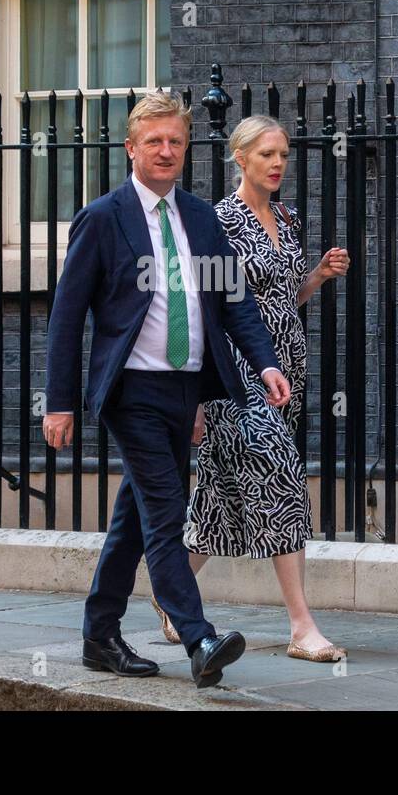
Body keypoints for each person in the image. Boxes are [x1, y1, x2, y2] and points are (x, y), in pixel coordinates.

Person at [43, 92, 293, 689]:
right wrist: (58, 402)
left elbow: (233, 303)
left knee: (134, 516)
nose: (165, 150)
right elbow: (65, 315)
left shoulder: (202, 219)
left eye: (175, 141)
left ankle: (100, 634)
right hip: (131, 391)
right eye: (153, 141)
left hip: (186, 391)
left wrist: (264, 364)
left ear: (186, 149)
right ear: (131, 148)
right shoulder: (103, 218)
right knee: (165, 510)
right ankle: (199, 638)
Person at [150, 114, 351, 661]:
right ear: (241, 158)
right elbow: (206, 312)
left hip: (285, 373)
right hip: (235, 379)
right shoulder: (218, 222)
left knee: (220, 501)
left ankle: (170, 590)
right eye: (267, 154)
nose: (278, 163)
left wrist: (319, 276)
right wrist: (195, 395)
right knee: (283, 479)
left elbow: (287, 299)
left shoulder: (287, 218)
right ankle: (302, 626)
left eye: (283, 154)